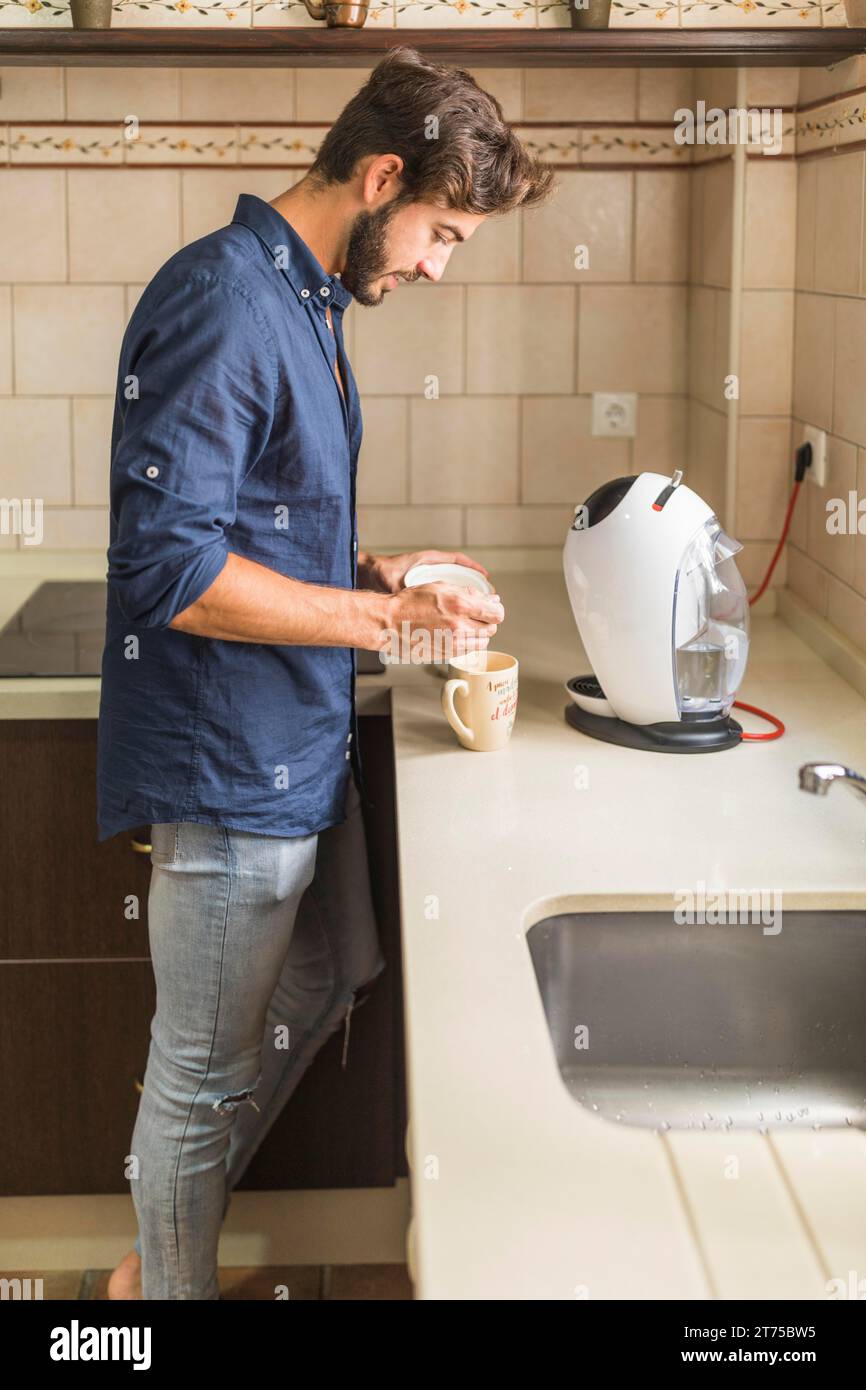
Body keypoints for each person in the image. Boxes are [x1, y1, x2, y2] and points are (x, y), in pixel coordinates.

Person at [99, 44, 553, 1300]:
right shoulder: (220, 300)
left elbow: (256, 520)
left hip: (291, 743)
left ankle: (163, 1242)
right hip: (225, 763)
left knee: (332, 963)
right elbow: (172, 573)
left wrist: (378, 567)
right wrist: (391, 629)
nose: (433, 264)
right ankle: (155, 1294)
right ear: (381, 175)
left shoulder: (305, 301)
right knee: (196, 1074)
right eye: (441, 233)